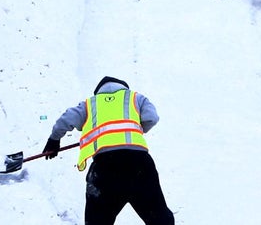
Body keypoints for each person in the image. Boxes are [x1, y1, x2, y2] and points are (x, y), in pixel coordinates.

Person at [42, 76, 174, 225]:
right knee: (159, 218)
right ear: (124, 87)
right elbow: (152, 118)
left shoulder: (90, 104)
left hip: (106, 169)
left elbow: (65, 120)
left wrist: (54, 140)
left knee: (98, 221)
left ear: (98, 91)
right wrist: (137, 128)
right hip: (139, 166)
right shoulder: (135, 98)